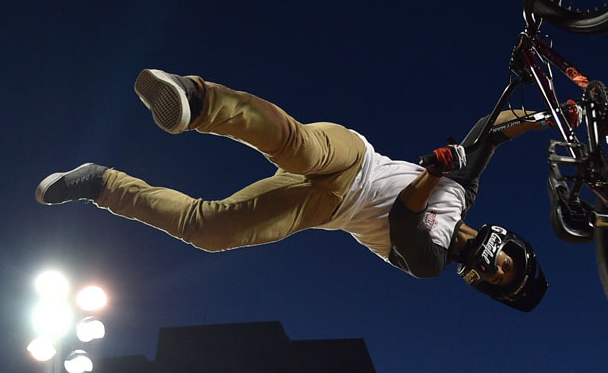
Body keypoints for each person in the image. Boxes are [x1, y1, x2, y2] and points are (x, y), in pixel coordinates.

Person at [36, 70, 549, 311]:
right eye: (510, 262)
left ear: (481, 281)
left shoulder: (431, 263)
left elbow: (404, 220)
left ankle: (100, 183)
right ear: (510, 243)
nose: (498, 265)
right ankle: (196, 98)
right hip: (353, 156)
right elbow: (491, 129)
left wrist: (433, 172)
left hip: (323, 206)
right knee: (299, 145)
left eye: (498, 277)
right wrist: (543, 117)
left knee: (209, 231)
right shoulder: (463, 191)